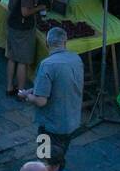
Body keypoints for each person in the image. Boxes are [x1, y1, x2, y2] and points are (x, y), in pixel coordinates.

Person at [21, 25, 84, 156]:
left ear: (46, 43)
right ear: (65, 42)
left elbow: (41, 101)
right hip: (71, 121)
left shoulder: (47, 65)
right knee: (60, 157)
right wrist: (33, 90)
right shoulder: (76, 59)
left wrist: (28, 97)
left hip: (51, 125)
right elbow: (60, 85)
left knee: (45, 159)